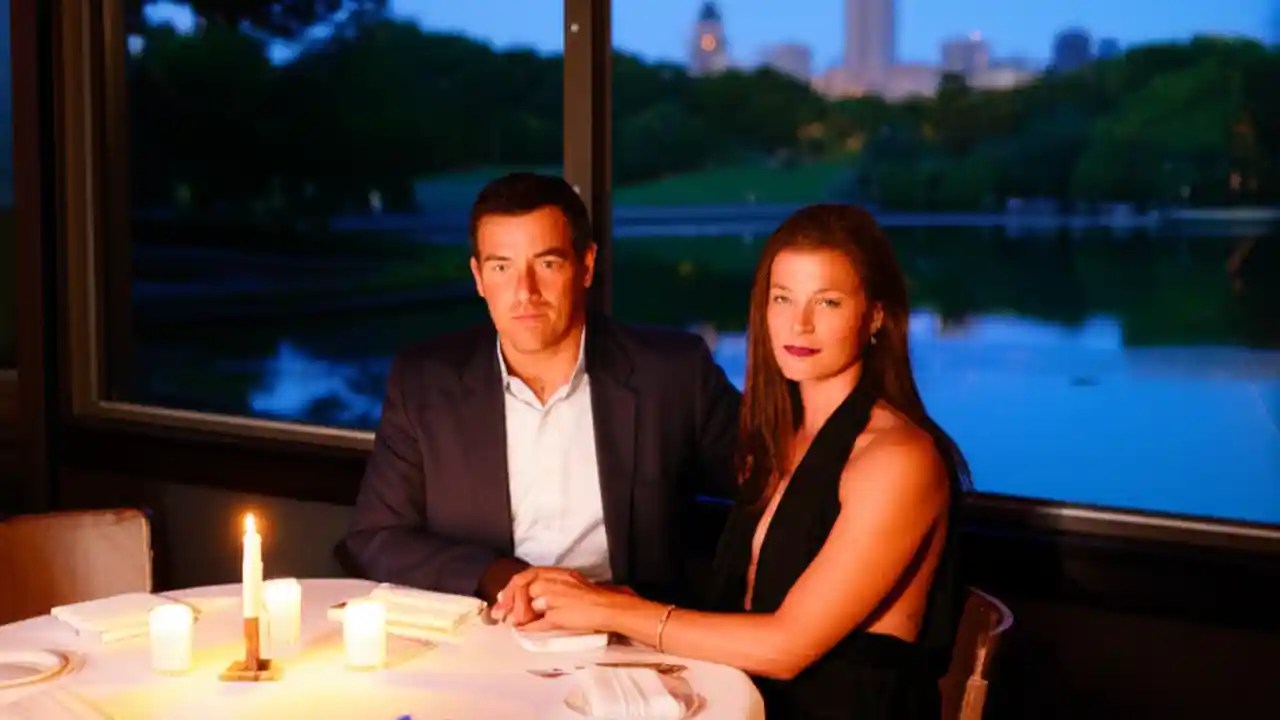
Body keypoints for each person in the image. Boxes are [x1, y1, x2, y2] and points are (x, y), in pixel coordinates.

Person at [495, 204, 969, 719]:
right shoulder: (780, 436)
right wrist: (582, 596)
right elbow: (743, 610)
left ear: (875, 315)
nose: (799, 323)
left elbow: (785, 648)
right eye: (782, 298)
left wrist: (614, 609)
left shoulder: (899, 460)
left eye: (827, 302)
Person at [343, 172, 741, 605]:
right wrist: (500, 576)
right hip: (485, 633)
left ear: (586, 266)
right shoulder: (425, 382)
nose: (525, 292)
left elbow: (774, 487)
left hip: (627, 637)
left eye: (547, 264)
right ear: (478, 277)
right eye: (502, 267)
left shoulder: (672, 373)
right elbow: (376, 538)